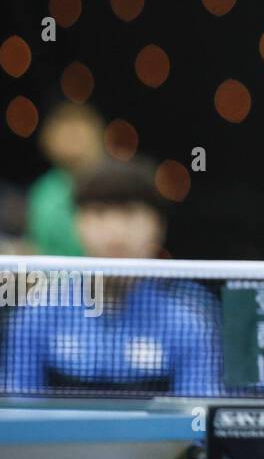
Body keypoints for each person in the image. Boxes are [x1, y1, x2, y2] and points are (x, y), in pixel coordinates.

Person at [1, 156, 222, 396]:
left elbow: (198, 413)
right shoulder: (38, 313)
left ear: (158, 225)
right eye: (99, 213)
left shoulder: (189, 320)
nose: (115, 233)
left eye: (129, 214)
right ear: (77, 224)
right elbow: (19, 408)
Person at [26, 100, 105, 256]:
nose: (72, 141)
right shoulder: (43, 189)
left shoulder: (112, 184)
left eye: (77, 133)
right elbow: (37, 244)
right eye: (64, 132)